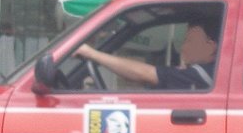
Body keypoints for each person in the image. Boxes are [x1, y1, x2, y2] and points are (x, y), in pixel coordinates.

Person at [75, 13, 220, 91]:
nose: (183, 48)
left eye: (190, 41)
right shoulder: (206, 74)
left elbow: (147, 74)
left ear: (211, 46)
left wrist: (91, 54)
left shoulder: (203, 74)